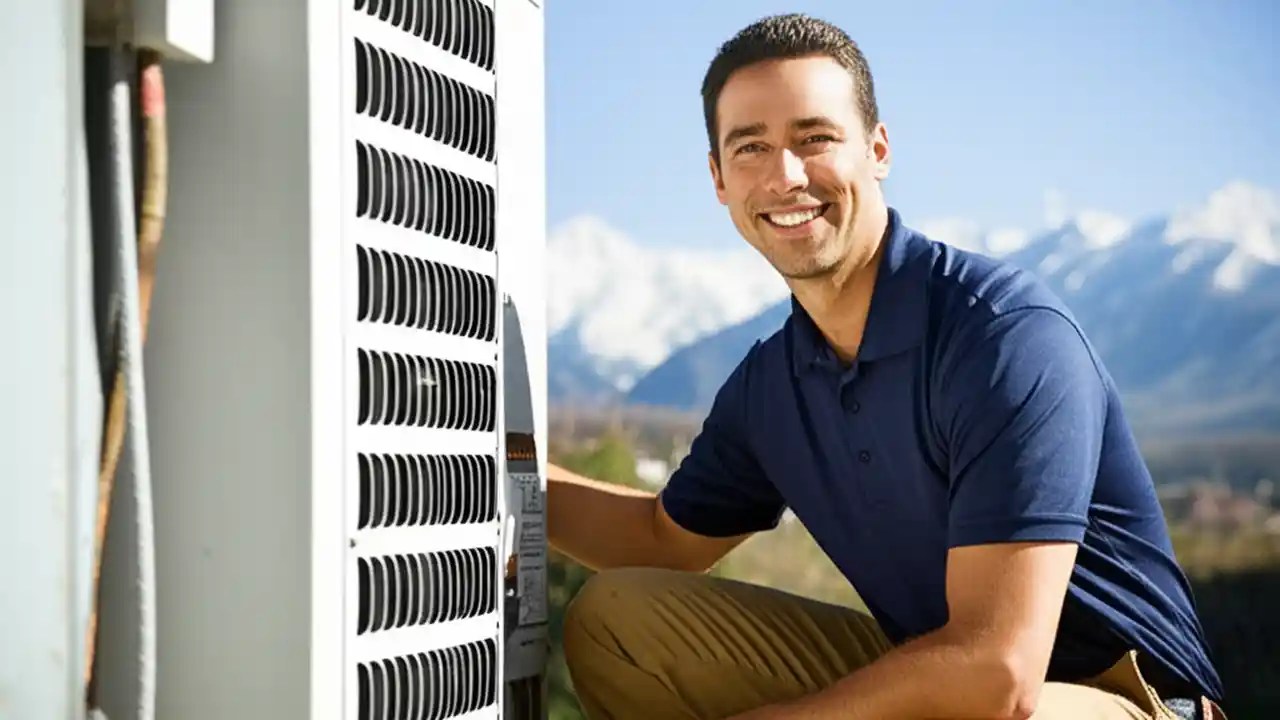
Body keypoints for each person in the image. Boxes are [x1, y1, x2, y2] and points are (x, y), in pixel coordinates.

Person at [546, 13, 1225, 720]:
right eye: (751, 148)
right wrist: (498, 468)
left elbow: (998, 673)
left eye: (815, 138)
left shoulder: (1001, 336)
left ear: (877, 149)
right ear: (718, 179)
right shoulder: (772, 384)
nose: (785, 175)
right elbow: (659, 540)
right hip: (950, 677)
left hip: (1121, 701)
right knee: (619, 620)